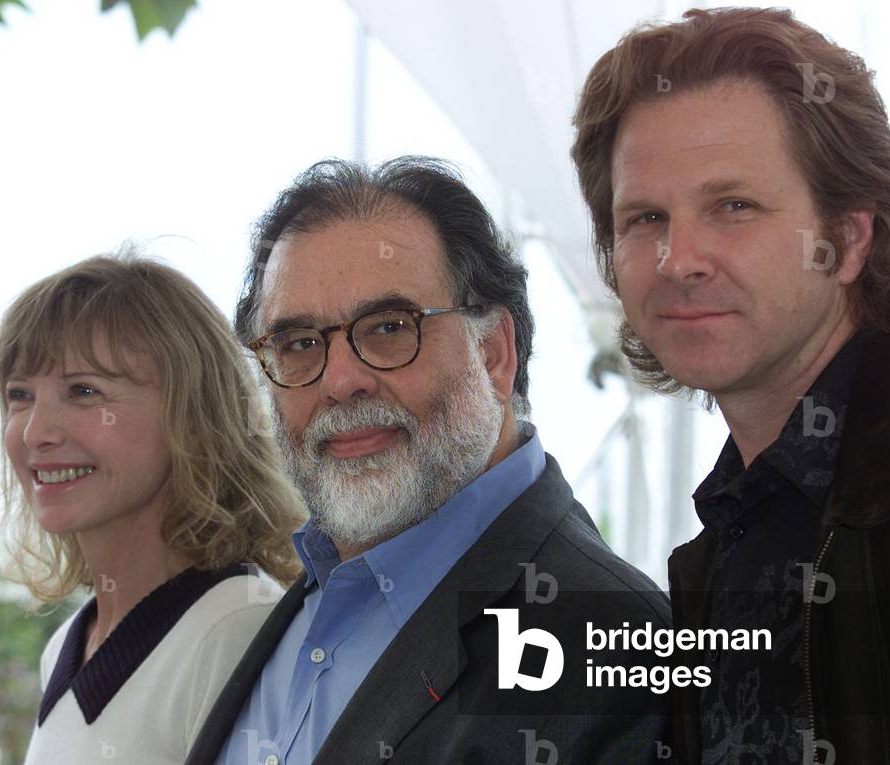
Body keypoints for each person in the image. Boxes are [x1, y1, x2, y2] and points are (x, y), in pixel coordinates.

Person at [571, 6, 890, 764]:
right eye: (645, 217)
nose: (678, 258)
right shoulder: (718, 544)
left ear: (850, 238)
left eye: (734, 206)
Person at [183, 156, 672, 765]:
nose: (339, 380)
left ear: (494, 353)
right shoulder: (297, 608)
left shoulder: (620, 648)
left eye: (389, 327)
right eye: (300, 345)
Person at [0, 252, 306, 764]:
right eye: (20, 395)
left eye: (83, 390)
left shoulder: (236, 629)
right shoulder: (65, 650)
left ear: (193, 414)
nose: (36, 432)